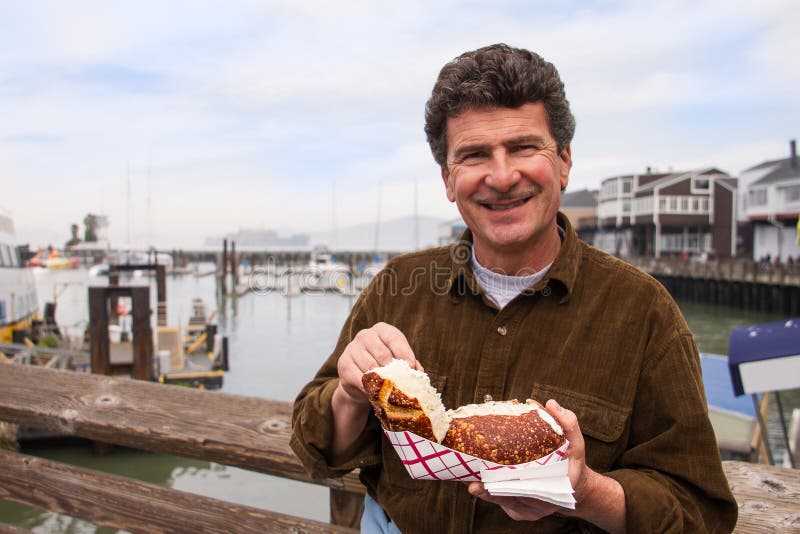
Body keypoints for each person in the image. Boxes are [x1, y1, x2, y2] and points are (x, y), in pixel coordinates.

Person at [291, 44, 737, 533]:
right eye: (474, 155)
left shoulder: (645, 314)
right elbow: (316, 449)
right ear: (448, 180)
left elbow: (701, 513)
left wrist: (584, 491)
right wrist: (349, 396)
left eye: (524, 147)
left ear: (563, 162)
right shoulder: (395, 288)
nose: (502, 177)